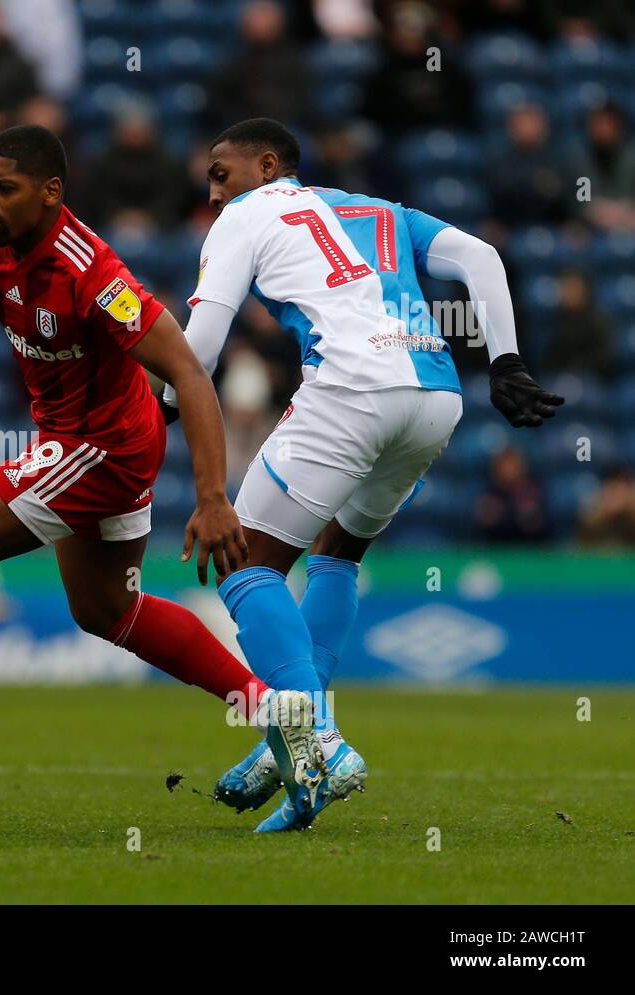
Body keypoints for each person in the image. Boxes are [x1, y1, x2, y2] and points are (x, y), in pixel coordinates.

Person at [0, 125, 321, 809]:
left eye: (4, 188)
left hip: (100, 447)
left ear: (51, 193)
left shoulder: (90, 270)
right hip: (94, 437)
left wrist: (211, 497)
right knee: (107, 608)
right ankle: (272, 712)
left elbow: (189, 374)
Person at [161, 118, 564, 831]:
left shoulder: (244, 218)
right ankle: (286, 744)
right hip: (435, 398)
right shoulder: (380, 210)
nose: (214, 192)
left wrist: (167, 401)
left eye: (221, 175)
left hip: (351, 391)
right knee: (337, 552)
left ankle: (316, 734)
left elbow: (204, 337)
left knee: (244, 562)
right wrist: (506, 360)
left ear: (266, 165)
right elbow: (481, 256)